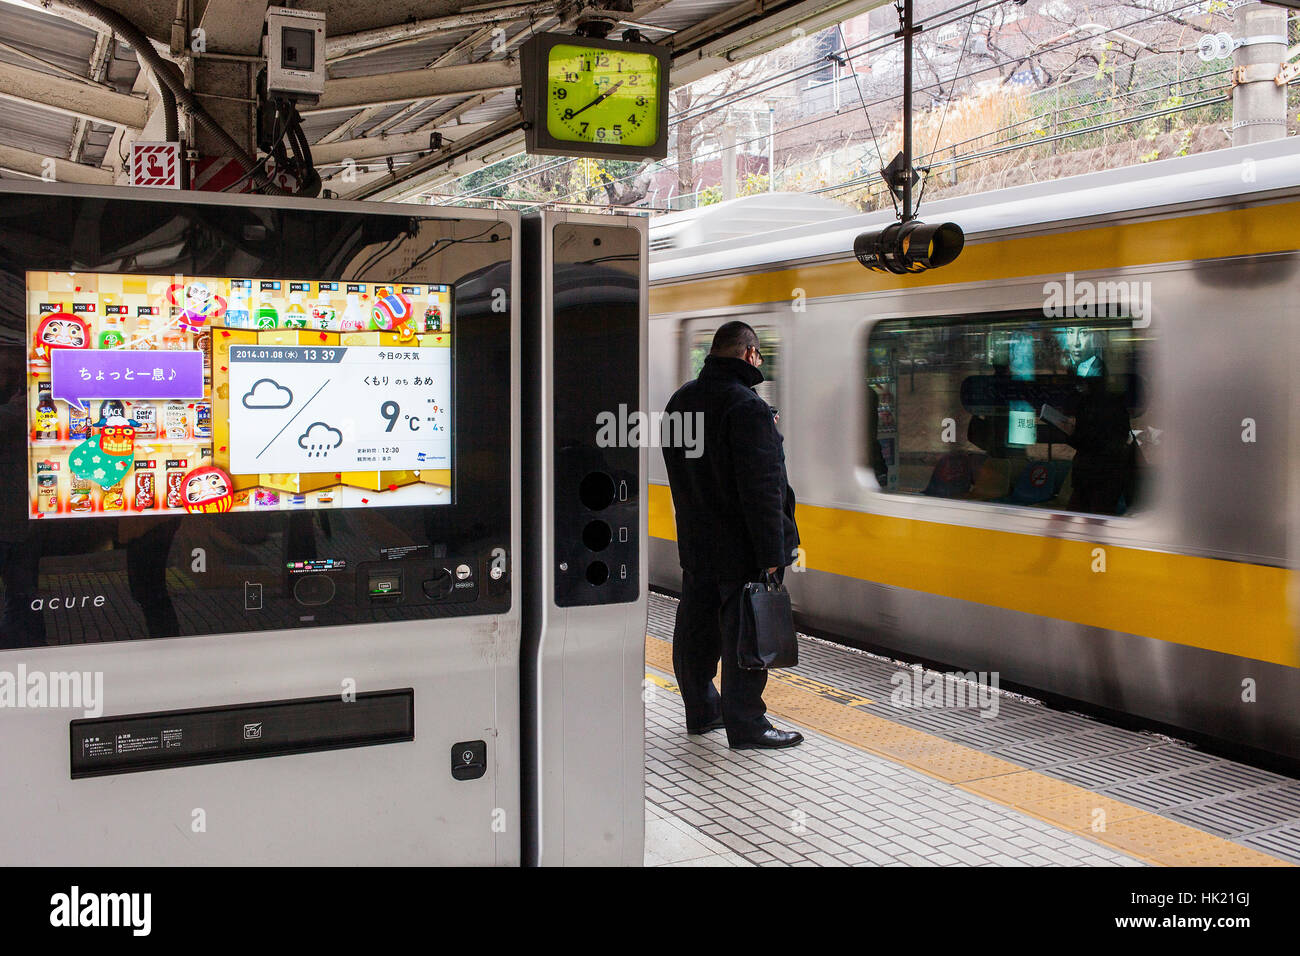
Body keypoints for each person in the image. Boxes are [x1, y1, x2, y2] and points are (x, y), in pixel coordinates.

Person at [662, 321, 802, 749]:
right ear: (748, 355)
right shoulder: (747, 408)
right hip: (741, 548)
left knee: (696, 627)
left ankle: (703, 709)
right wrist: (773, 551)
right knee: (747, 631)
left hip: (697, 541)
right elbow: (763, 490)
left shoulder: (681, 401)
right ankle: (747, 724)